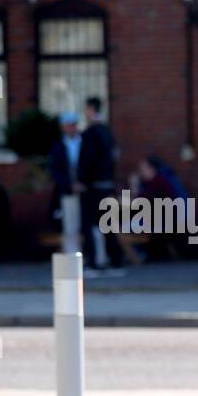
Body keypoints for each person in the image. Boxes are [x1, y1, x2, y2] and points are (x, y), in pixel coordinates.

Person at [80, 97, 121, 272]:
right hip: (106, 185)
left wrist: (82, 180)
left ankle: (93, 262)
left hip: (93, 187)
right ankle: (116, 260)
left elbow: (87, 160)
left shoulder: (91, 134)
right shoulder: (107, 132)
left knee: (88, 225)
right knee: (107, 224)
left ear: (91, 109)